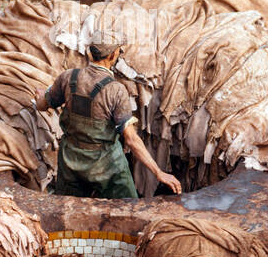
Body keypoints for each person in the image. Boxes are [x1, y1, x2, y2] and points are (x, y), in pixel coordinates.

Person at [35, 39, 182, 198]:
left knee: (67, 207)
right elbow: (131, 139)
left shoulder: (68, 77)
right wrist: (159, 173)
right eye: (119, 51)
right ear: (112, 56)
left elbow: (42, 105)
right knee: (128, 209)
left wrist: (41, 96)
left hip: (71, 162)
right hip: (105, 165)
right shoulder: (116, 90)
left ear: (91, 53)